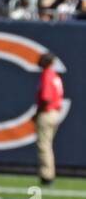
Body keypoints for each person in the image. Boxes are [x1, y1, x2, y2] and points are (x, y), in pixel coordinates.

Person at [35, 52, 65, 186]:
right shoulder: (55, 76)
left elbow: (46, 97)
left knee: (44, 145)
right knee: (48, 145)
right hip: (56, 112)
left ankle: (47, 176)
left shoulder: (47, 74)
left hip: (47, 112)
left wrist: (38, 112)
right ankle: (49, 173)